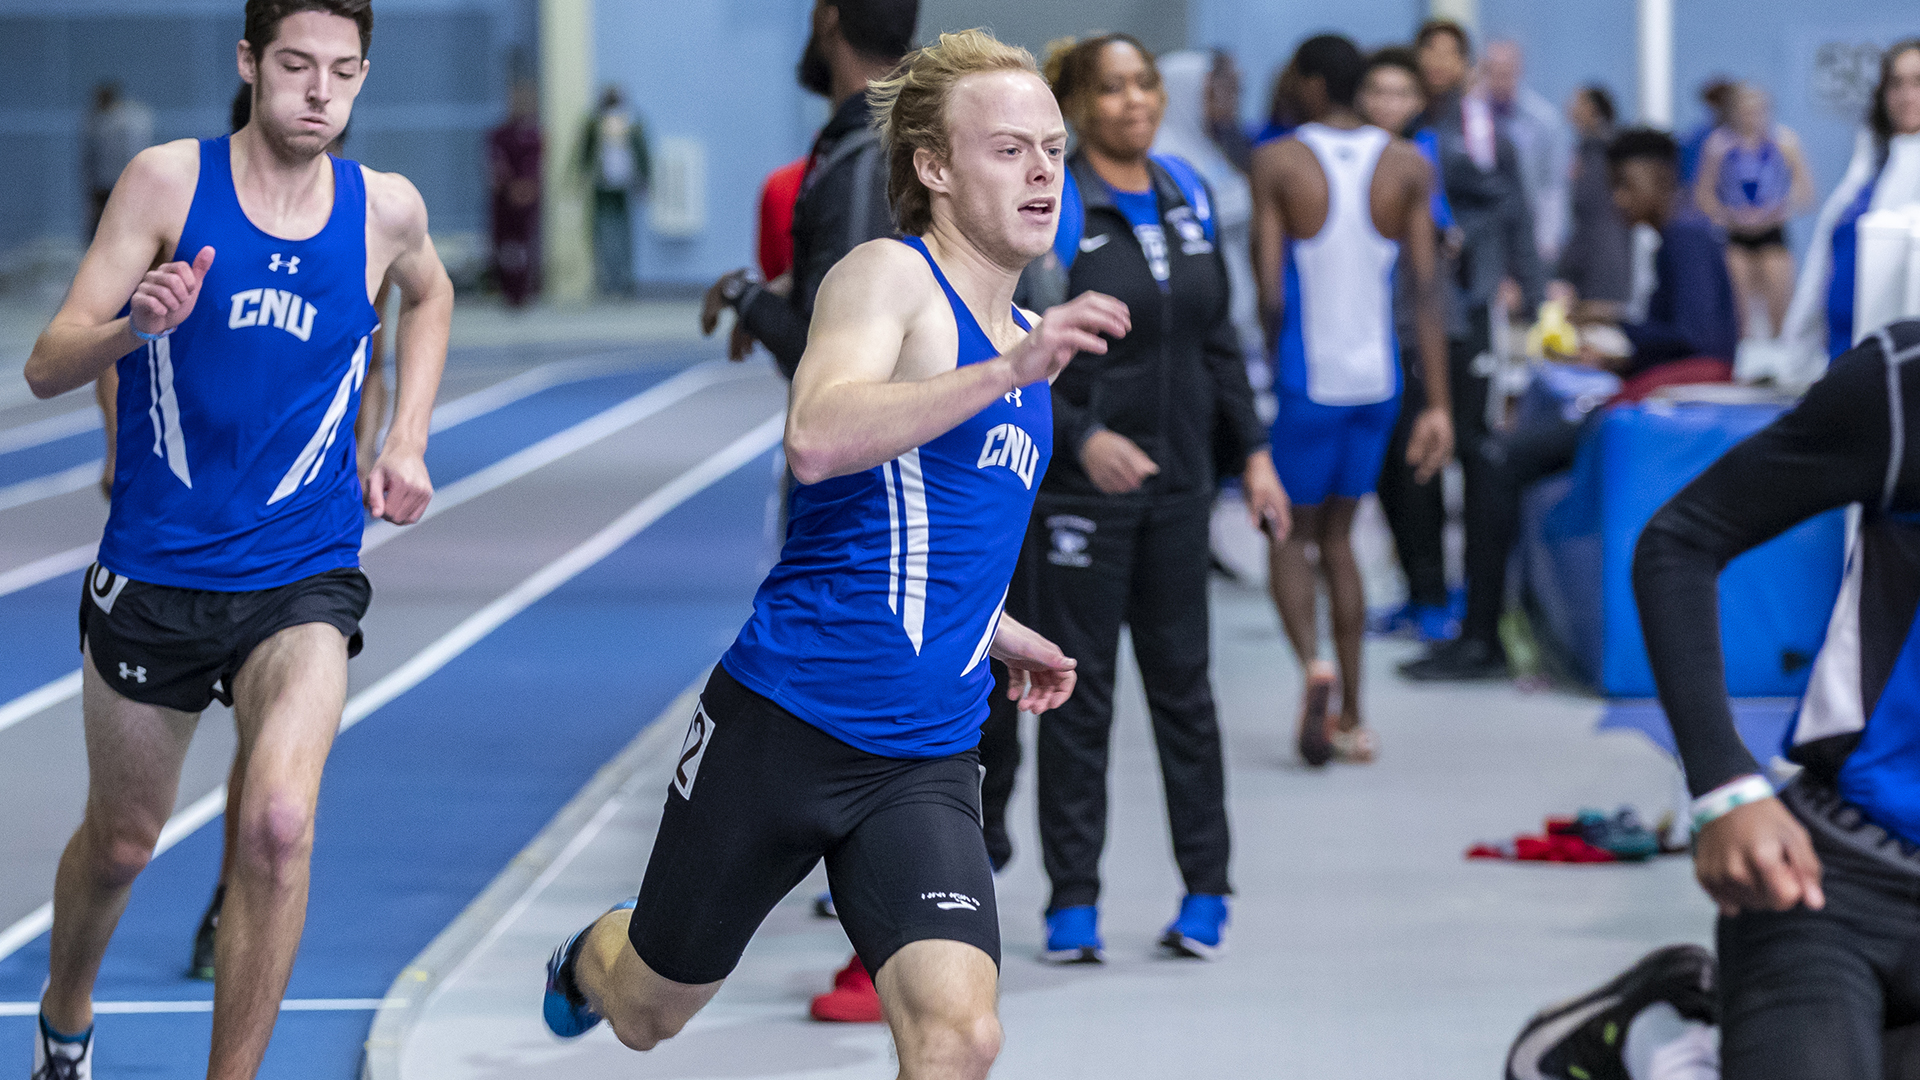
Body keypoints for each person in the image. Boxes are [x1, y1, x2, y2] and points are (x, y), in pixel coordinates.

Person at [539, 30, 1131, 1079]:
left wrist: (993, 628)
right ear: (934, 168)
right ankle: (591, 957)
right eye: (1009, 149)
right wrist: (1003, 371)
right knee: (647, 1011)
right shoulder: (888, 279)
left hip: (926, 754)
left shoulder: (1031, 340)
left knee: (961, 1036)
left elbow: (928, 531)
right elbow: (817, 436)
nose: (1044, 171)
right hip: (784, 722)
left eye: (1053, 147)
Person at [23, 3, 453, 1078]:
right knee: (123, 845)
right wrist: (137, 325)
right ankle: (65, 1021)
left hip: (302, 572)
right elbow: (47, 361)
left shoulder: (386, 209)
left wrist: (405, 438)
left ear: (362, 76)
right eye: (297, 66)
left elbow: (433, 294)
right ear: (251, 63)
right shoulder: (168, 184)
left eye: (343, 71)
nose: (320, 92)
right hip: (158, 571)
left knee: (274, 824)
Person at [980, 33, 1284, 966]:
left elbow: (1216, 341)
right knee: (1079, 697)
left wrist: (1257, 455)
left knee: (1186, 689)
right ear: (1074, 109)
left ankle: (1205, 888)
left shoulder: (1188, 193)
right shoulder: (1054, 207)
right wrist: (1084, 438)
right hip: (1082, 496)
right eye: (1108, 90)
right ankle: (1074, 900)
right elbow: (1010, 348)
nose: (1133, 102)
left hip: (1183, 486)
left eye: (1144, 83)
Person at [1628, 316, 1920, 1080]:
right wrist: (1724, 787)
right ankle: (1667, 1045)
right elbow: (1681, 541)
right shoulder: (1903, 385)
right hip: (1839, 884)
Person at [1403, 128, 1736, 682]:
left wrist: (1619, 351)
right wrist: (1615, 331)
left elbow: (1700, 338)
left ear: (1660, 181)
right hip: (1655, 389)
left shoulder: (1685, 239)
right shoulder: (1681, 236)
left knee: (1498, 461)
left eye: (1627, 187)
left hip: (1665, 403)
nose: (1618, 201)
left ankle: (1483, 638)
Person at [1252, 34, 1453, 764]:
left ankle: (1314, 665)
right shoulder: (1406, 164)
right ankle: (1356, 717)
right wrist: (1439, 407)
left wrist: (1267, 380)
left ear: (1307, 83)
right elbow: (1426, 293)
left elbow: (1271, 292)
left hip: (1309, 377)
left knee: (1287, 535)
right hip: (1380, 383)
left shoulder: (1278, 162)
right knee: (1341, 540)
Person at [701, 0, 913, 379]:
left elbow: (832, 355)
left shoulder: (866, 161)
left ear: (827, 17)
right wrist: (797, 283)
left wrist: (742, 295)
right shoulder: (904, 133)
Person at [1356, 46, 1464, 645]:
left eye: (1401, 93)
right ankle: (1414, 591)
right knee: (1384, 476)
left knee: (1417, 467)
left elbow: (1443, 238)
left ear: (1417, 102)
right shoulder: (1346, 158)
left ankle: (1433, 597)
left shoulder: (1421, 159)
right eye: (1378, 91)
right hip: (1362, 334)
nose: (1387, 104)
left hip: (1418, 334)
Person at [1767, 41, 1920, 389]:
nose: (1906, 95)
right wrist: (1793, 361)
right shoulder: (1870, 164)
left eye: (1918, 82)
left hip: (1899, 368)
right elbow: (1821, 268)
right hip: (1843, 355)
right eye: (1896, 84)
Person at [1696, 84, 1814, 340]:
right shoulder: (1719, 145)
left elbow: (1806, 192)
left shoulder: (1784, 142)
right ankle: (1743, 364)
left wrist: (1777, 211)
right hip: (1736, 236)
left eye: (1758, 111)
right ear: (1735, 112)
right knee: (1738, 311)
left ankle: (1779, 362)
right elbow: (1703, 194)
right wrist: (1728, 216)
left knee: (1779, 306)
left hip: (1772, 233)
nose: (1752, 117)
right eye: (1745, 111)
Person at [1478, 40, 1571, 265]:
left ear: (1518, 70)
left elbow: (1554, 185)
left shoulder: (1544, 121)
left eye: (1506, 73)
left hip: (1529, 231)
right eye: (1493, 72)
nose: (1499, 80)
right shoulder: (1470, 116)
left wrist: (1548, 240)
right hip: (1482, 231)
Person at [1555, 84, 1633, 310]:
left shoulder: (1601, 151)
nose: (1569, 108)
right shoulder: (1590, 150)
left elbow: (1589, 205)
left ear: (1591, 109)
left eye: (1576, 102)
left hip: (1603, 259)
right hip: (1590, 255)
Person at [580, 85, 649, 297]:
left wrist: (643, 178)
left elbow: (641, 152)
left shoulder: (631, 123)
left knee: (623, 234)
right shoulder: (594, 124)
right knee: (601, 234)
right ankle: (606, 281)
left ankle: (625, 280)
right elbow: (586, 152)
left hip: (624, 184)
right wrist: (583, 176)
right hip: (601, 184)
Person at [488, 80, 543, 307]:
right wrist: (508, 187)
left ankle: (524, 291)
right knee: (506, 247)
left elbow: (536, 168)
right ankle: (507, 290)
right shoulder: (499, 135)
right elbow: (495, 168)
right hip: (504, 203)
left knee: (524, 247)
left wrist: (526, 189)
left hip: (526, 202)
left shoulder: (534, 137)